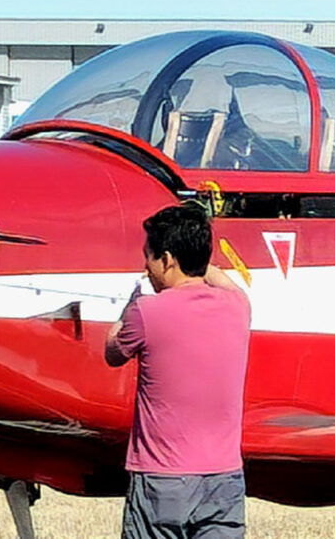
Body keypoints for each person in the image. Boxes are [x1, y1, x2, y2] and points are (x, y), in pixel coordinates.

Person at [106, 204, 253, 539]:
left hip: (161, 478)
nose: (147, 268)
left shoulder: (145, 312)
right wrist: (197, 255)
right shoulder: (238, 306)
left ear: (168, 260)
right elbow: (219, 279)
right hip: (224, 477)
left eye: (149, 257)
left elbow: (112, 352)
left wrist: (128, 305)